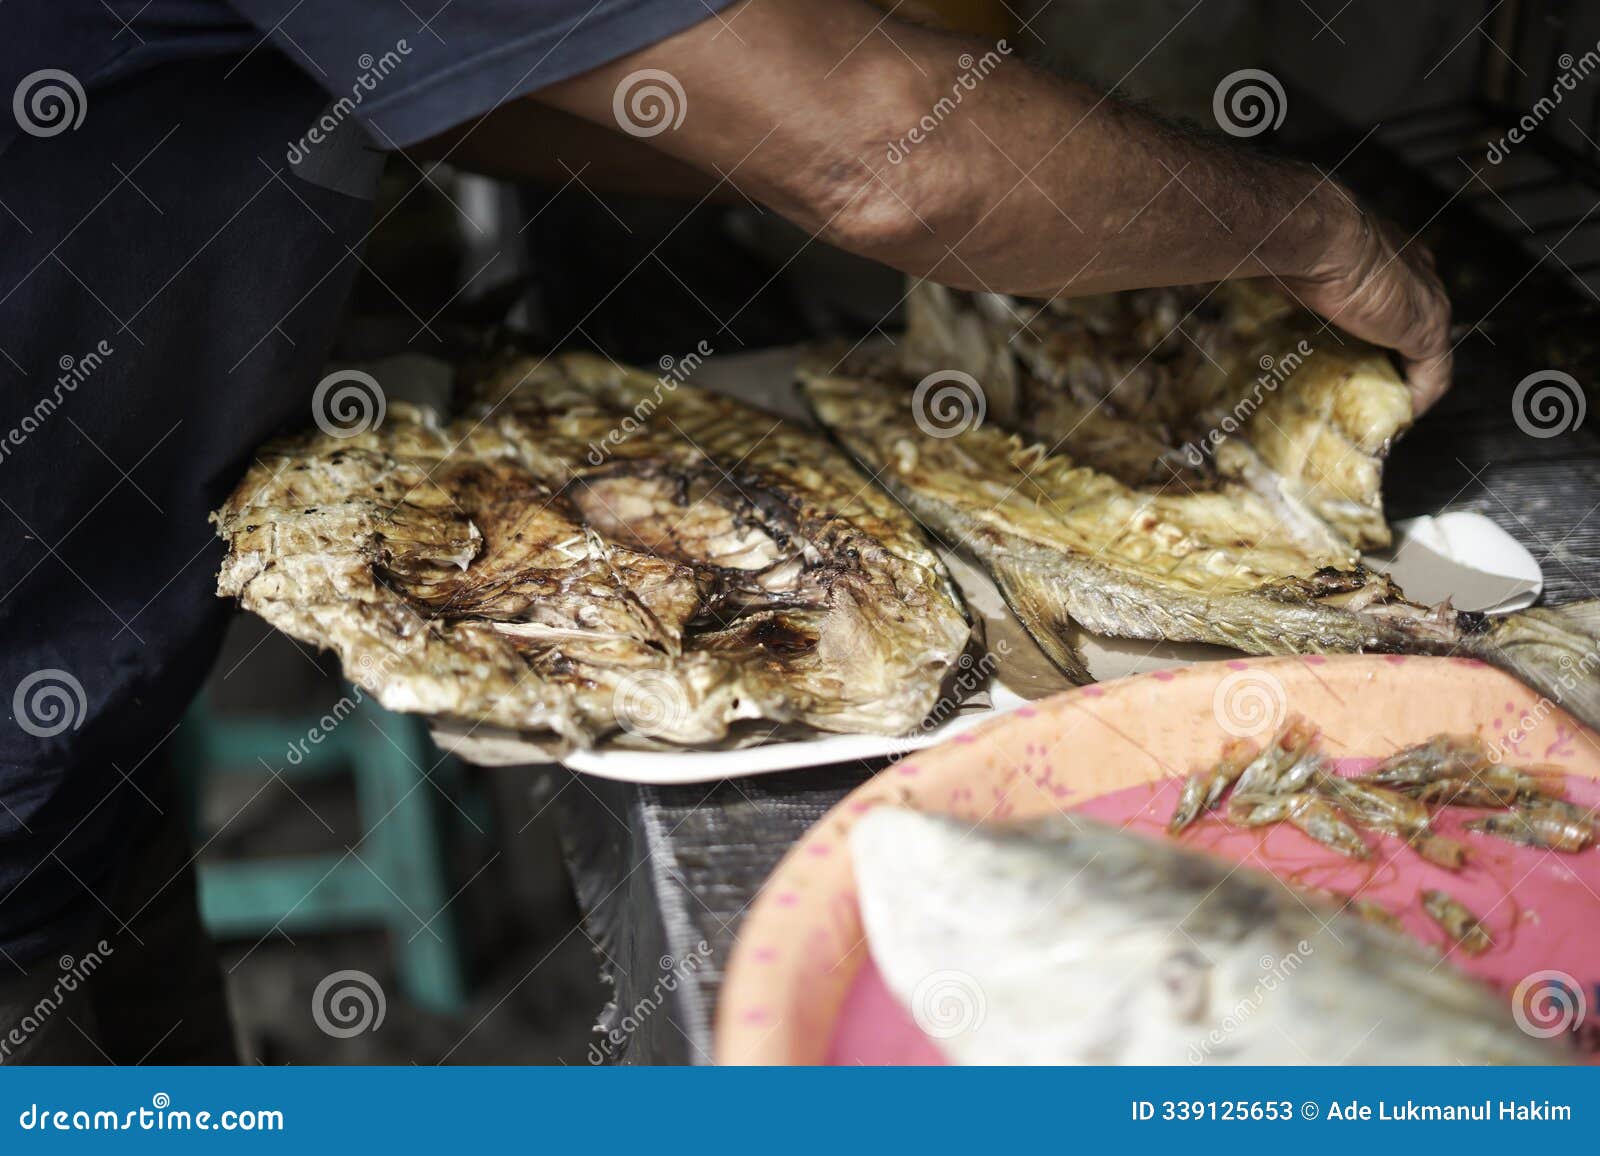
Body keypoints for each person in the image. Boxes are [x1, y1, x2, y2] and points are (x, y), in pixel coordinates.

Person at [0, 0, 1450, 1064]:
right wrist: (1315, 231)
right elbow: (892, 147)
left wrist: (841, 157)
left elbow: (448, 82)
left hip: (79, 781)